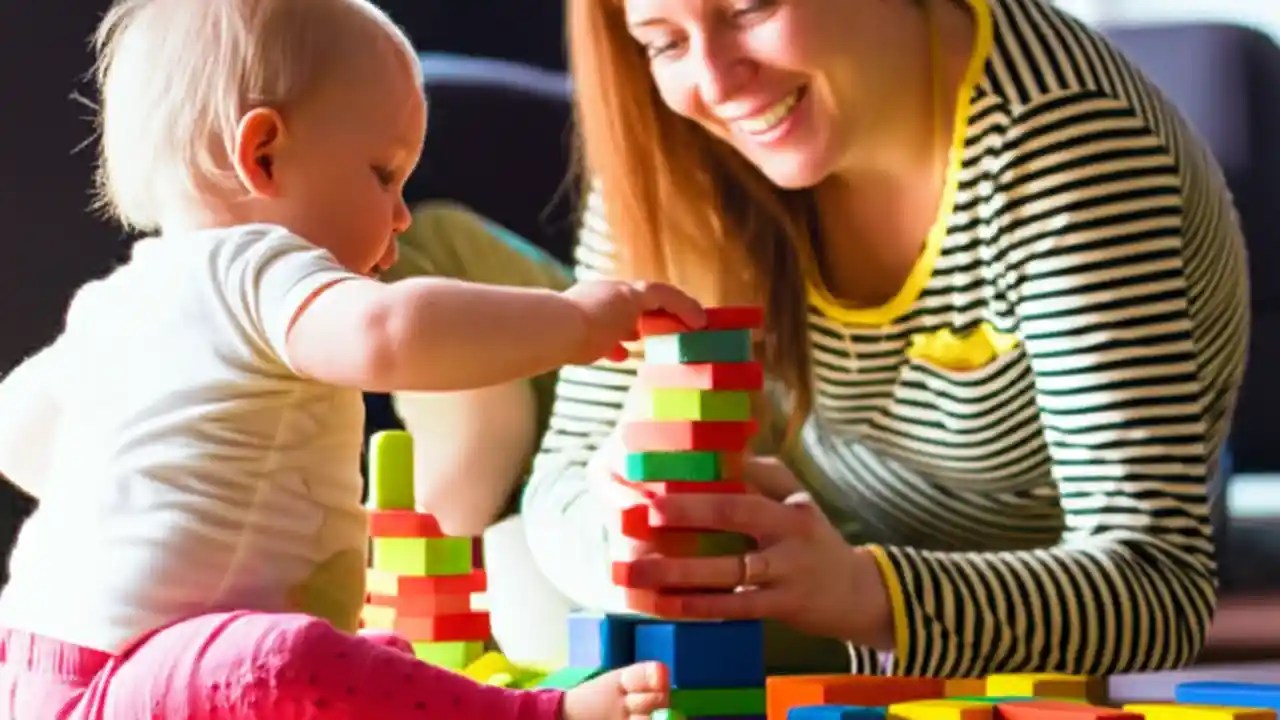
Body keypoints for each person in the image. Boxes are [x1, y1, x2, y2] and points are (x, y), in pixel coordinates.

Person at [0, 0, 707, 716]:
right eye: (383, 175)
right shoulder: (256, 266)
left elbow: (17, 435)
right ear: (263, 154)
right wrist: (575, 320)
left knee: (357, 661)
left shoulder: (113, 304)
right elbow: (392, 334)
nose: (401, 214)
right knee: (287, 660)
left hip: (37, 670)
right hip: (149, 675)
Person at [518, 0, 1251, 678]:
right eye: (665, 42)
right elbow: (563, 479)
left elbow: (1158, 584)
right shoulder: (677, 136)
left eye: (750, 8)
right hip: (811, 532)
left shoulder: (1067, 143)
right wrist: (631, 536)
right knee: (532, 586)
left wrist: (860, 591)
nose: (715, 82)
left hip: (1002, 589)